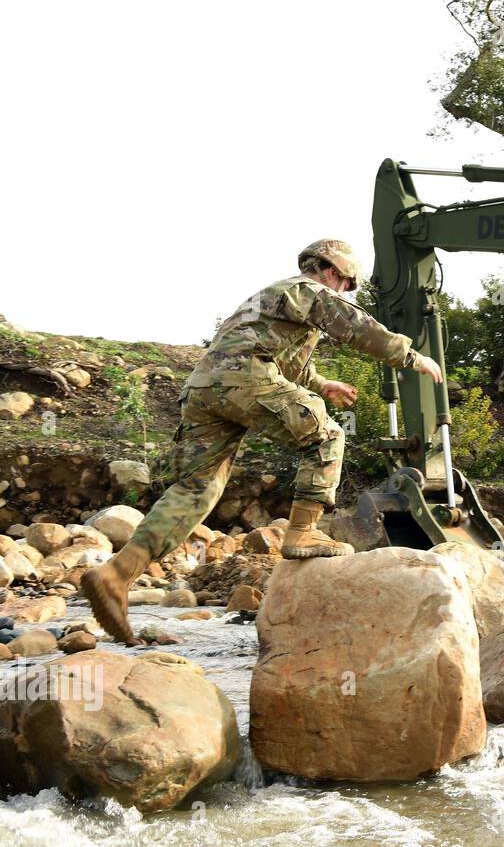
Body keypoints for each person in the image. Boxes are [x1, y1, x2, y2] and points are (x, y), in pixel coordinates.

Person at [82, 239, 443, 645]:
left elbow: (282, 359)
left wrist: (324, 384)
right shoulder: (312, 290)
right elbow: (359, 329)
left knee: (195, 489)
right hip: (246, 379)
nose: (344, 291)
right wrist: (414, 358)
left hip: (204, 388)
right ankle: (302, 532)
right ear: (331, 271)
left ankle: (116, 574)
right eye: (346, 284)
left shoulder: (269, 297)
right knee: (327, 436)